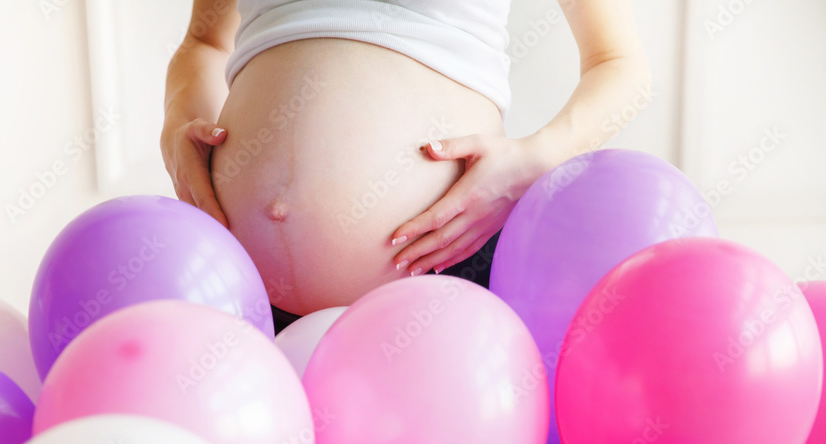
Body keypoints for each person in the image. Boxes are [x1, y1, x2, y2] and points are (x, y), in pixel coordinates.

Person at [162, 0, 651, 334]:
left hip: (447, 262)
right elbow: (204, 44)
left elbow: (620, 64)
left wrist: (536, 158)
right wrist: (179, 122)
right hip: (238, 283)